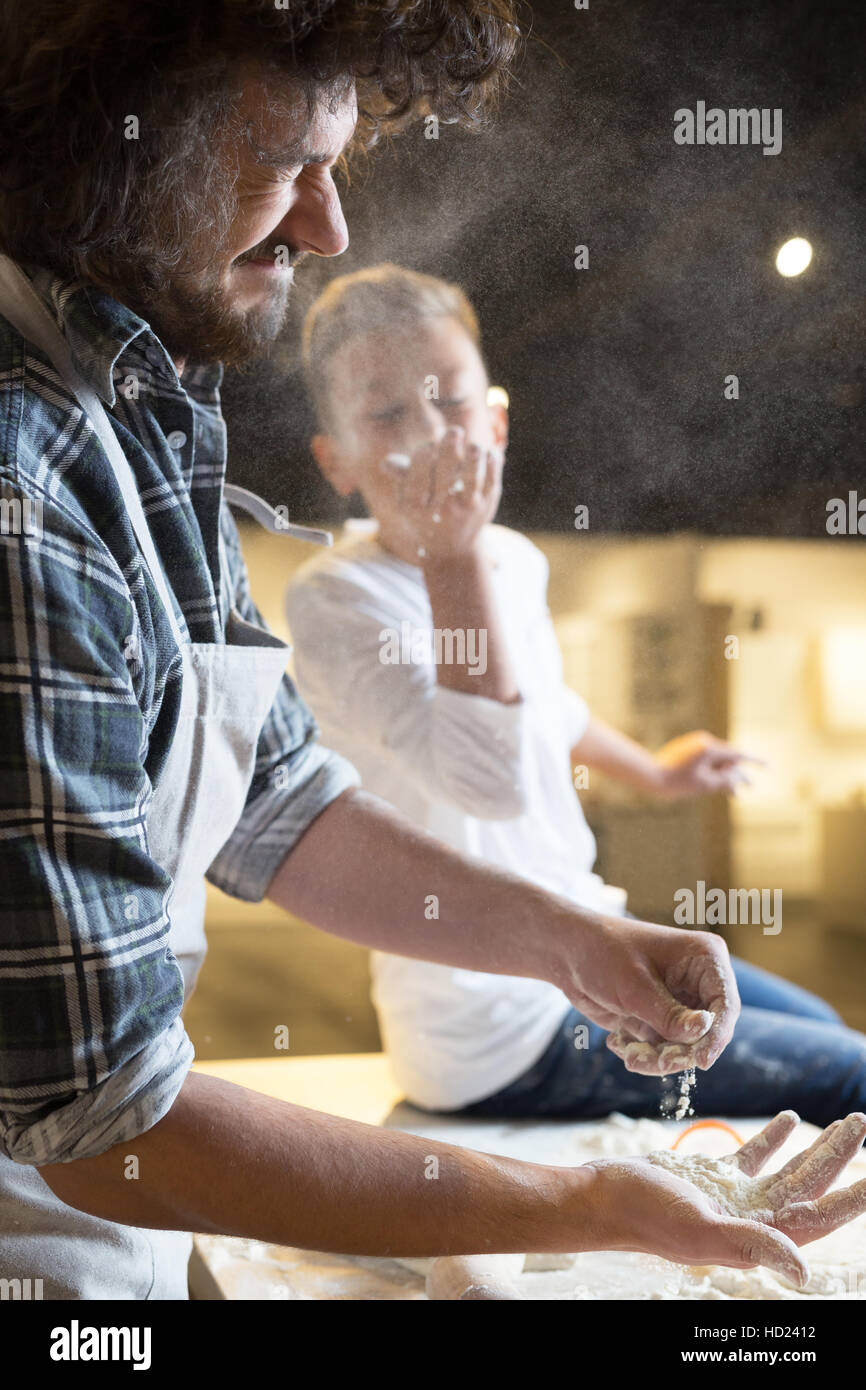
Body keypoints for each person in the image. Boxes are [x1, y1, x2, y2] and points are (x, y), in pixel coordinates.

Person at [0, 2, 862, 1301]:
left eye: (335, 169)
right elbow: (103, 1119)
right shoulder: (25, 485)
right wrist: (593, 1199)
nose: (325, 226)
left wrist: (583, 938)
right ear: (118, 151)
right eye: (285, 164)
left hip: (137, 1231)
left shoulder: (145, 414)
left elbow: (278, 807)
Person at [287, 262, 866, 1131]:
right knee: (854, 1077)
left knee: (821, 1027)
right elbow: (489, 782)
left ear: (497, 422)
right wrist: (451, 556)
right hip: (495, 1030)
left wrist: (657, 772)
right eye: (386, 414)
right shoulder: (335, 597)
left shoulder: (511, 560)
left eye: (451, 402)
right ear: (336, 462)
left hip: (590, 933)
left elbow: (548, 709)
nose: (432, 434)